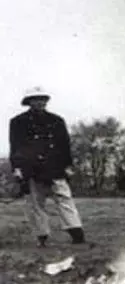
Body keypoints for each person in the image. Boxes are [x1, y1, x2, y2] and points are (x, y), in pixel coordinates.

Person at [9, 86, 85, 246]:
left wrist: (68, 165)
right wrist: (17, 168)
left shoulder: (57, 121)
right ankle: (42, 237)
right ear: (29, 102)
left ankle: (77, 234)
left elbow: (65, 145)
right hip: (32, 168)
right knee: (36, 204)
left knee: (65, 199)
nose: (40, 102)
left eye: (43, 99)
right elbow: (15, 147)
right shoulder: (18, 122)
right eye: (36, 99)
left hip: (55, 167)